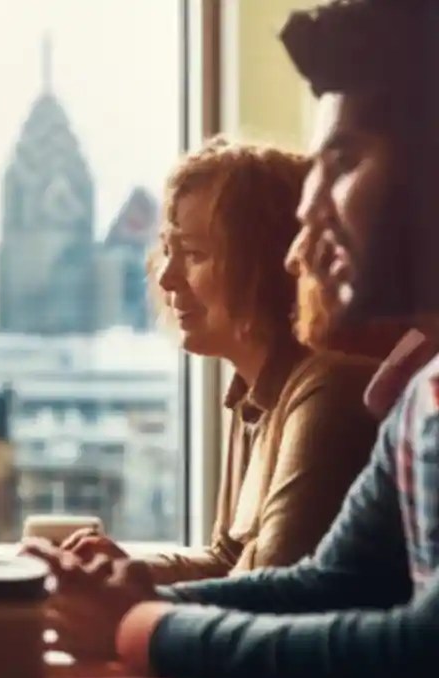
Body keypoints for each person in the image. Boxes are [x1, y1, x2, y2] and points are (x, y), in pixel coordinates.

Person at [24, 1, 439, 678]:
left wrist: (140, 624)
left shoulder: (348, 395)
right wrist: (128, 600)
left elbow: (420, 657)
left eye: (343, 162)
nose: (308, 215)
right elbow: (326, 583)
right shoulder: (419, 398)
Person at [59, 139, 379, 585]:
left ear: (266, 264)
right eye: (167, 250)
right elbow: (228, 561)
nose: (167, 276)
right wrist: (124, 570)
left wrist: (132, 604)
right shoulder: (252, 394)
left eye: (194, 254)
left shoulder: (324, 393)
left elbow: (272, 591)